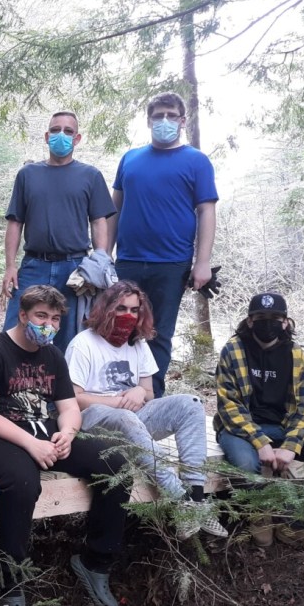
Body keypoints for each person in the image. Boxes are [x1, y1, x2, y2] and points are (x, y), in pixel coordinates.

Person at [0, 285, 132, 606]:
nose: (48, 324)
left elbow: (70, 408)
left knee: (116, 463)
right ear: (23, 314)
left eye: (55, 318)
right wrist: (31, 443)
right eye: (41, 316)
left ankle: (96, 561)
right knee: (23, 484)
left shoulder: (53, 355)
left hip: (47, 433)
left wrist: (67, 434)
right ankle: (11, 587)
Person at [65, 281, 228, 539]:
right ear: (107, 308)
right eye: (121, 308)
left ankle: (196, 497)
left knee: (191, 404)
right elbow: (74, 398)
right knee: (127, 417)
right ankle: (178, 498)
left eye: (134, 309)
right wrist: (117, 402)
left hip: (133, 417)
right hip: (94, 420)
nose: (128, 315)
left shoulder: (138, 344)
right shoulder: (83, 343)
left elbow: (149, 394)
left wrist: (140, 392)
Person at [215, 292, 304, 553]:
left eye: (275, 318)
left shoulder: (294, 353)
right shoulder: (233, 349)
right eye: (261, 318)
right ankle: (259, 515)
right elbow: (229, 405)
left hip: (282, 426)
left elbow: (303, 406)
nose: (269, 323)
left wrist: (291, 444)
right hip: (239, 429)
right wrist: (260, 442)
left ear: (286, 322)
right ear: (250, 321)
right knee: (245, 464)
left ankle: (301, 526)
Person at [107, 91, 218, 398]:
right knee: (119, 327)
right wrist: (104, 253)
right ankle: (114, 396)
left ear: (182, 121)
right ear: (149, 120)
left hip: (171, 264)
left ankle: (149, 398)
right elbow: (115, 207)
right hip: (127, 260)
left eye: (171, 115)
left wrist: (202, 261)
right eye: (158, 116)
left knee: (156, 334)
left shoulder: (196, 161)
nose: (164, 121)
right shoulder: (130, 159)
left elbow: (206, 210)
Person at [1, 111, 116, 350]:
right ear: (46, 136)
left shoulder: (91, 176)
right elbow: (15, 222)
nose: (60, 135)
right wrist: (10, 265)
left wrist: (101, 260)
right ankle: (9, 385)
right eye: (55, 130)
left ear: (77, 138)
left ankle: (62, 387)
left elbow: (98, 221)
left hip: (74, 270)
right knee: (15, 331)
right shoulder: (27, 175)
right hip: (33, 266)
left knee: (69, 337)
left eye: (68, 131)